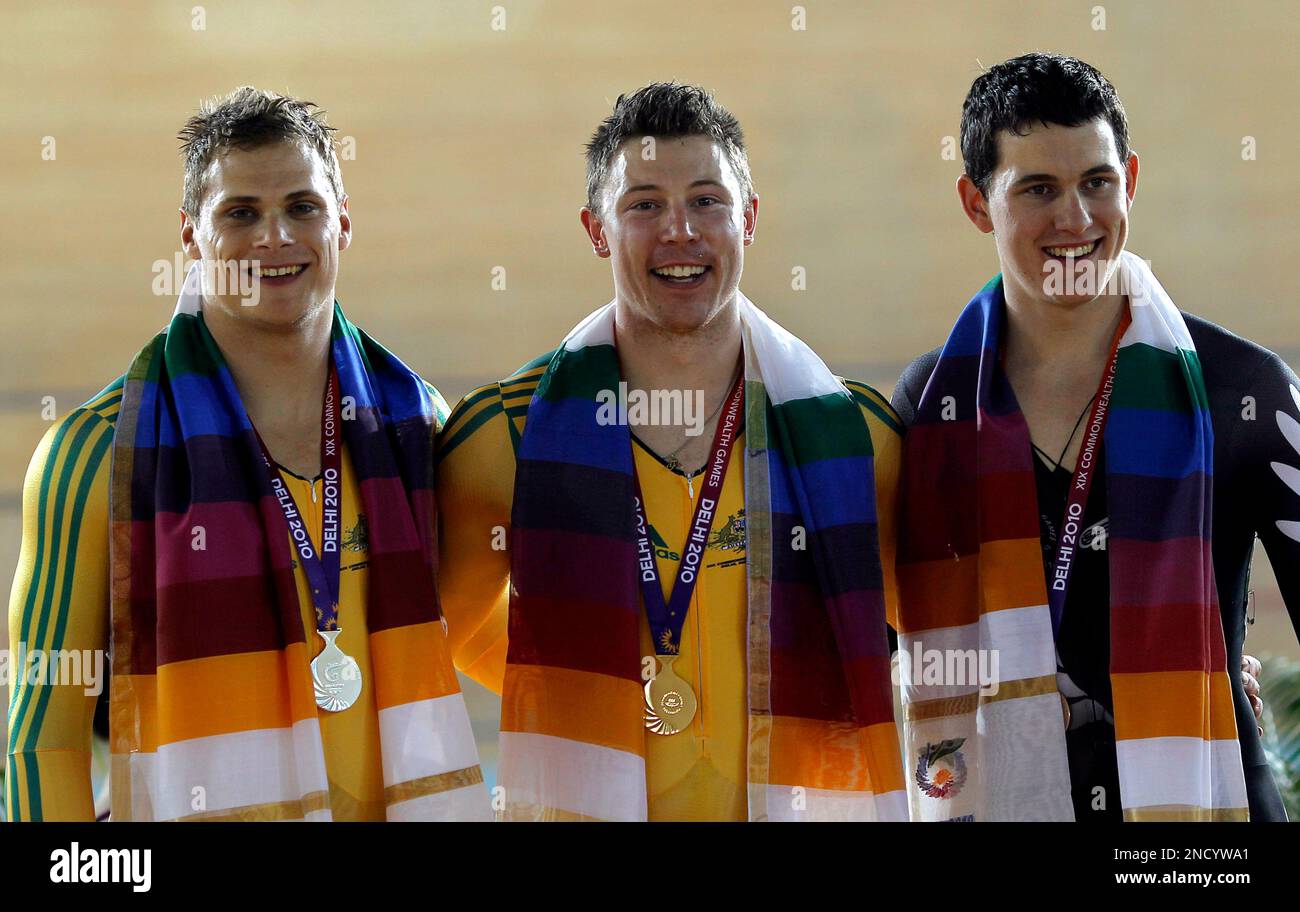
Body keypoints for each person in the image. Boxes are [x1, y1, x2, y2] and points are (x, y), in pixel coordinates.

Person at [5, 87, 488, 821]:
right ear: (192, 236)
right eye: (240, 213)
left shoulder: (419, 426)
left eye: (303, 207)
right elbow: (42, 738)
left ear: (344, 221)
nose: (274, 238)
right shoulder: (96, 452)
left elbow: (485, 634)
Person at [437, 83, 905, 821]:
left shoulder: (853, 435)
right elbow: (448, 638)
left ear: (748, 220)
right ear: (597, 229)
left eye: (708, 201)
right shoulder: (505, 433)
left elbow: (940, 631)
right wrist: (585, 690)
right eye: (644, 204)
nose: (679, 231)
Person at [890, 54, 1297, 821]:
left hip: (1209, 818)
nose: (1075, 219)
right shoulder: (930, 404)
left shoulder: (1243, 388)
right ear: (978, 203)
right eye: (1038, 189)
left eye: (1096, 183)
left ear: (1131, 179)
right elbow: (861, 634)